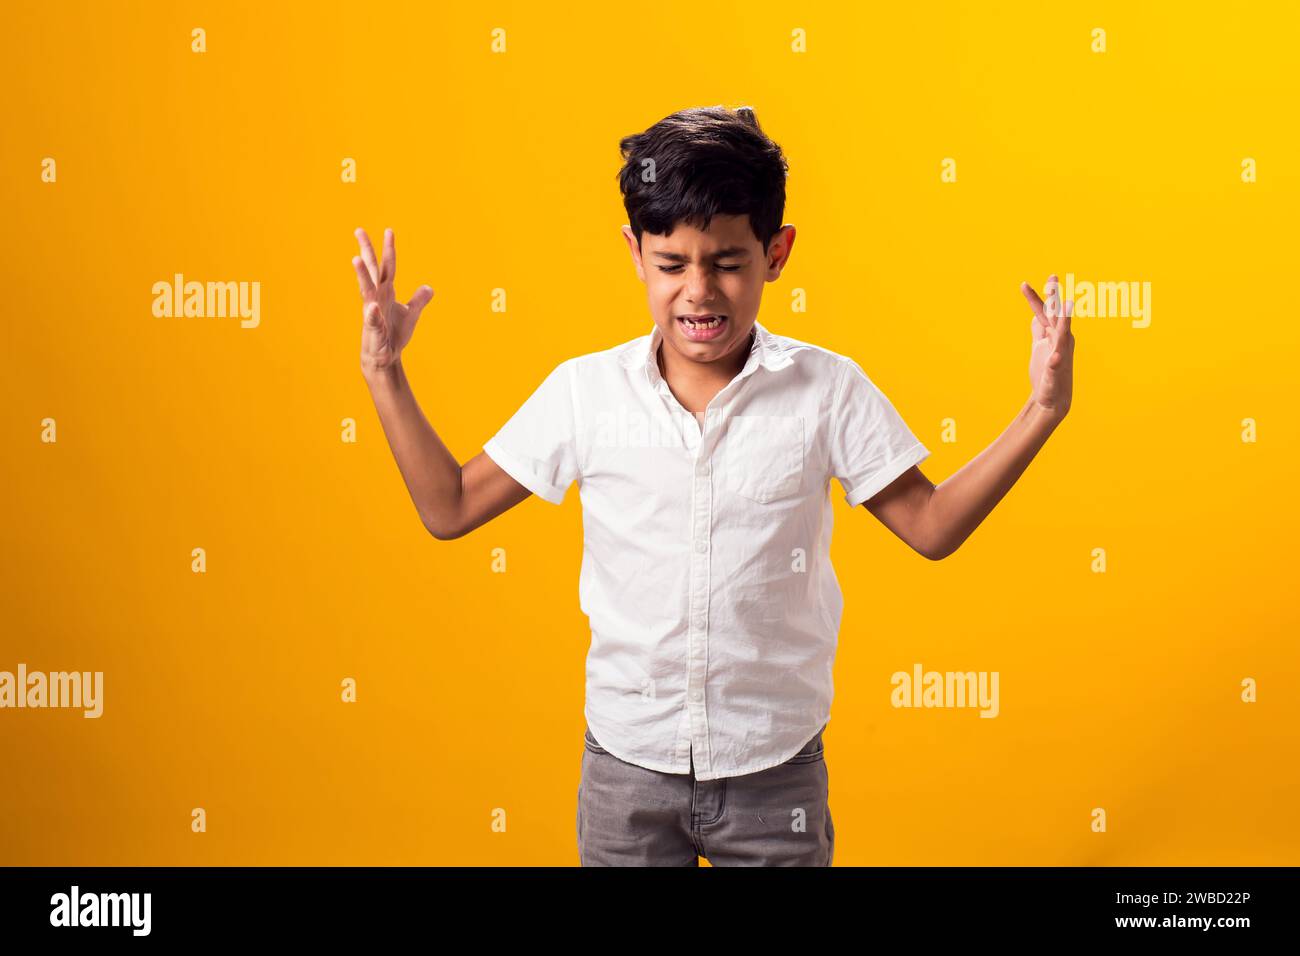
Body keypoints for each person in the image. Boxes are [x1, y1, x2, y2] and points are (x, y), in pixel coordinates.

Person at [349, 105, 1075, 866]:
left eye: (729, 262)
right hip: (626, 772)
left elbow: (931, 526)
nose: (699, 292)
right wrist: (385, 373)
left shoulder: (826, 389)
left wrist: (1041, 411)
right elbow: (450, 506)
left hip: (773, 775)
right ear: (635, 253)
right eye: (671, 265)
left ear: (777, 251)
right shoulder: (585, 394)